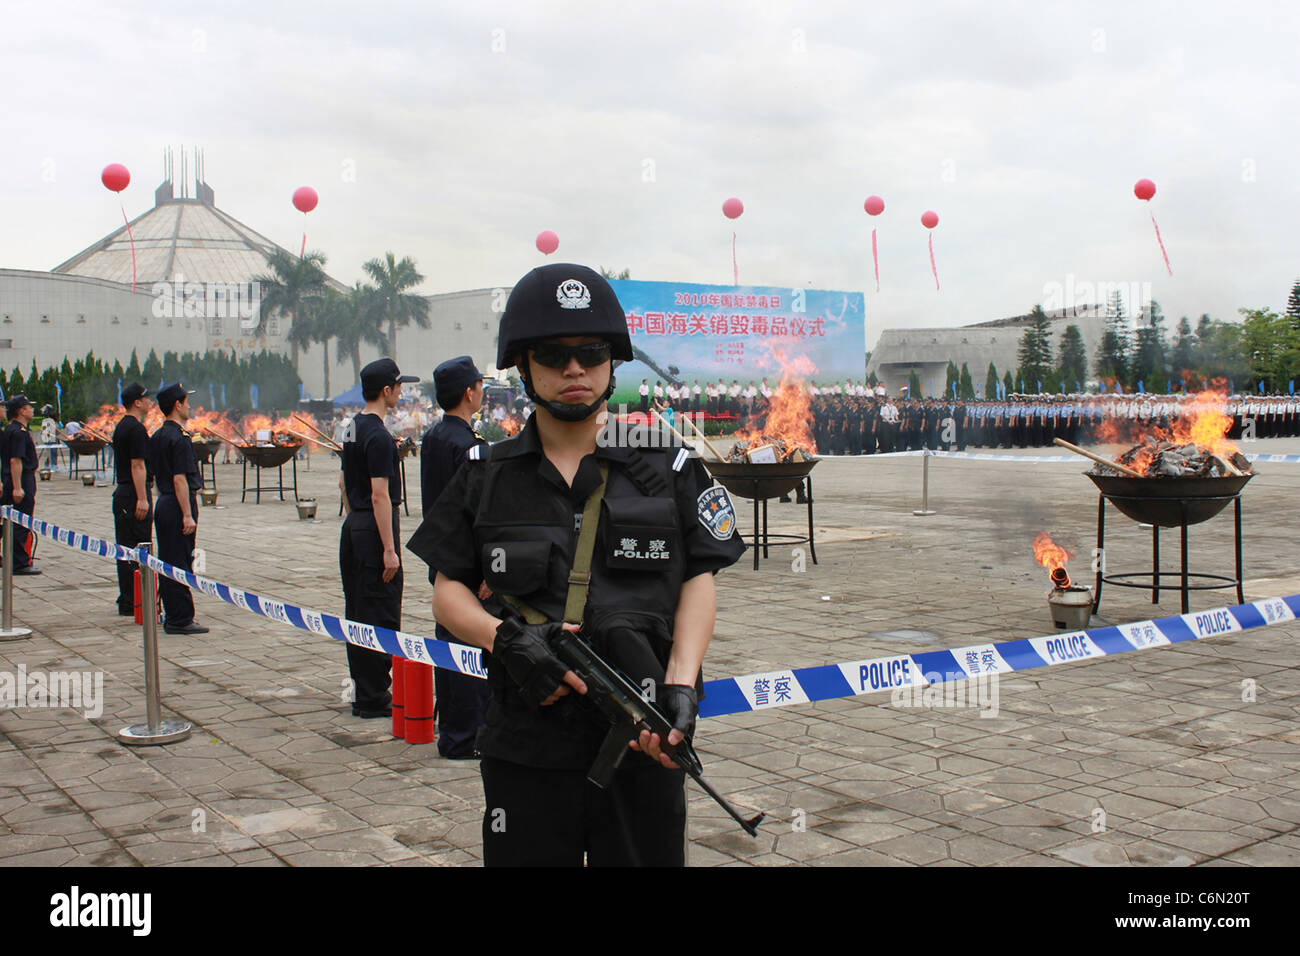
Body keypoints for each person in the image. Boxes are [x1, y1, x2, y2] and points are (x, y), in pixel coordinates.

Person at [407, 263, 746, 867]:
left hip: (646, 747)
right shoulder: (485, 476)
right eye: (553, 355)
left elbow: (700, 576)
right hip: (526, 752)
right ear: (522, 364)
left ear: (612, 362)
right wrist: (505, 639)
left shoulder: (667, 470)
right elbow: (446, 591)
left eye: (591, 353)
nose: (574, 370)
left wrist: (680, 685)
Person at [420, 355, 490, 756]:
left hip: (441, 555)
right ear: (469, 392)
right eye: (479, 384)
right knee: (469, 648)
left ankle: (451, 730)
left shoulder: (434, 437)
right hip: (465, 562)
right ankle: (467, 736)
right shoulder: (468, 446)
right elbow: (477, 513)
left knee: (447, 646)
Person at [340, 358, 417, 719]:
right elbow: (380, 496)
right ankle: (374, 695)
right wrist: (389, 549)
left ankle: (364, 689)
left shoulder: (353, 428)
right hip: (373, 529)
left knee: (357, 610)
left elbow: (344, 483)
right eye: (399, 387)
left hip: (353, 526)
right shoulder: (379, 436)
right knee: (379, 610)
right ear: (386, 391)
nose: (401, 393)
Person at [150, 383, 208, 634]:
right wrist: (187, 514)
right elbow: (179, 479)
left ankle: (174, 613)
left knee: (168, 558)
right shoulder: (180, 438)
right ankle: (180, 618)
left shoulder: (158, 435)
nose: (189, 406)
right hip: (177, 504)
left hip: (164, 502)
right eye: (186, 402)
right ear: (177, 405)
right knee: (179, 561)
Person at [111, 383, 153, 615]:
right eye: (146, 399)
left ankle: (130, 599)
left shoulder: (123, 426)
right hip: (132, 493)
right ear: (137, 402)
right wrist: (142, 498)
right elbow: (137, 464)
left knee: (125, 548)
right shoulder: (135, 429)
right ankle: (134, 600)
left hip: (125, 492)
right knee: (136, 547)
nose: (149, 402)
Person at [2, 394, 41, 575]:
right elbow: (15, 460)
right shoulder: (18, 432)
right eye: (29, 407)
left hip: (14, 479)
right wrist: (18, 487)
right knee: (20, 522)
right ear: (21, 411)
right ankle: (19, 563)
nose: (32, 410)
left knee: (15, 522)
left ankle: (15, 559)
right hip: (21, 479)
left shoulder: (10, 430)